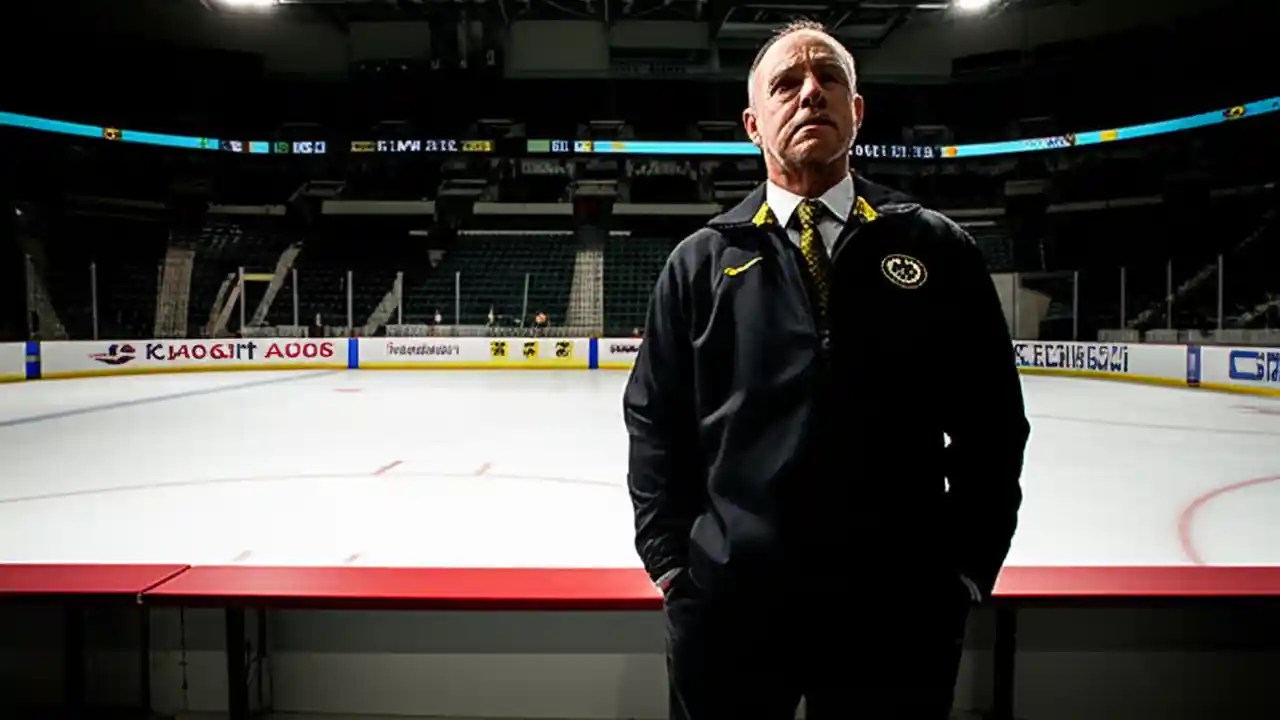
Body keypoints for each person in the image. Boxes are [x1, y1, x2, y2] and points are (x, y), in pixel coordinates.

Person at [622, 19, 1030, 720]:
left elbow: (992, 423)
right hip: (730, 615)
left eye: (828, 79)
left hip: (897, 617)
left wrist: (962, 569)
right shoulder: (700, 262)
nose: (810, 92)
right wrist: (673, 567)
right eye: (786, 83)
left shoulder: (937, 248)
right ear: (753, 124)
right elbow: (656, 425)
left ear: (857, 110)